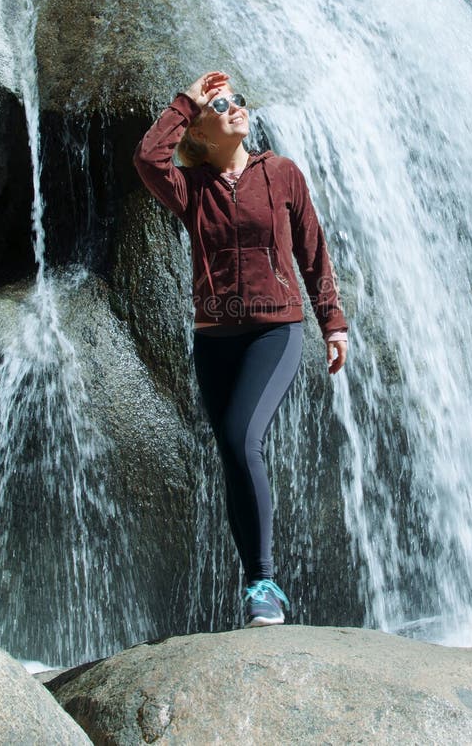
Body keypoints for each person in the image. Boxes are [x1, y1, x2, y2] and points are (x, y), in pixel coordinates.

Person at [134, 70, 348, 627]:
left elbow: (312, 251)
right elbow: (148, 158)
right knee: (234, 455)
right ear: (201, 133)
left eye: (236, 100)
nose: (234, 107)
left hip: (275, 331)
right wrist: (189, 101)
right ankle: (257, 585)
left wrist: (333, 323)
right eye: (221, 105)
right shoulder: (191, 187)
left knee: (239, 437)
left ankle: (263, 582)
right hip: (213, 340)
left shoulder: (281, 174)